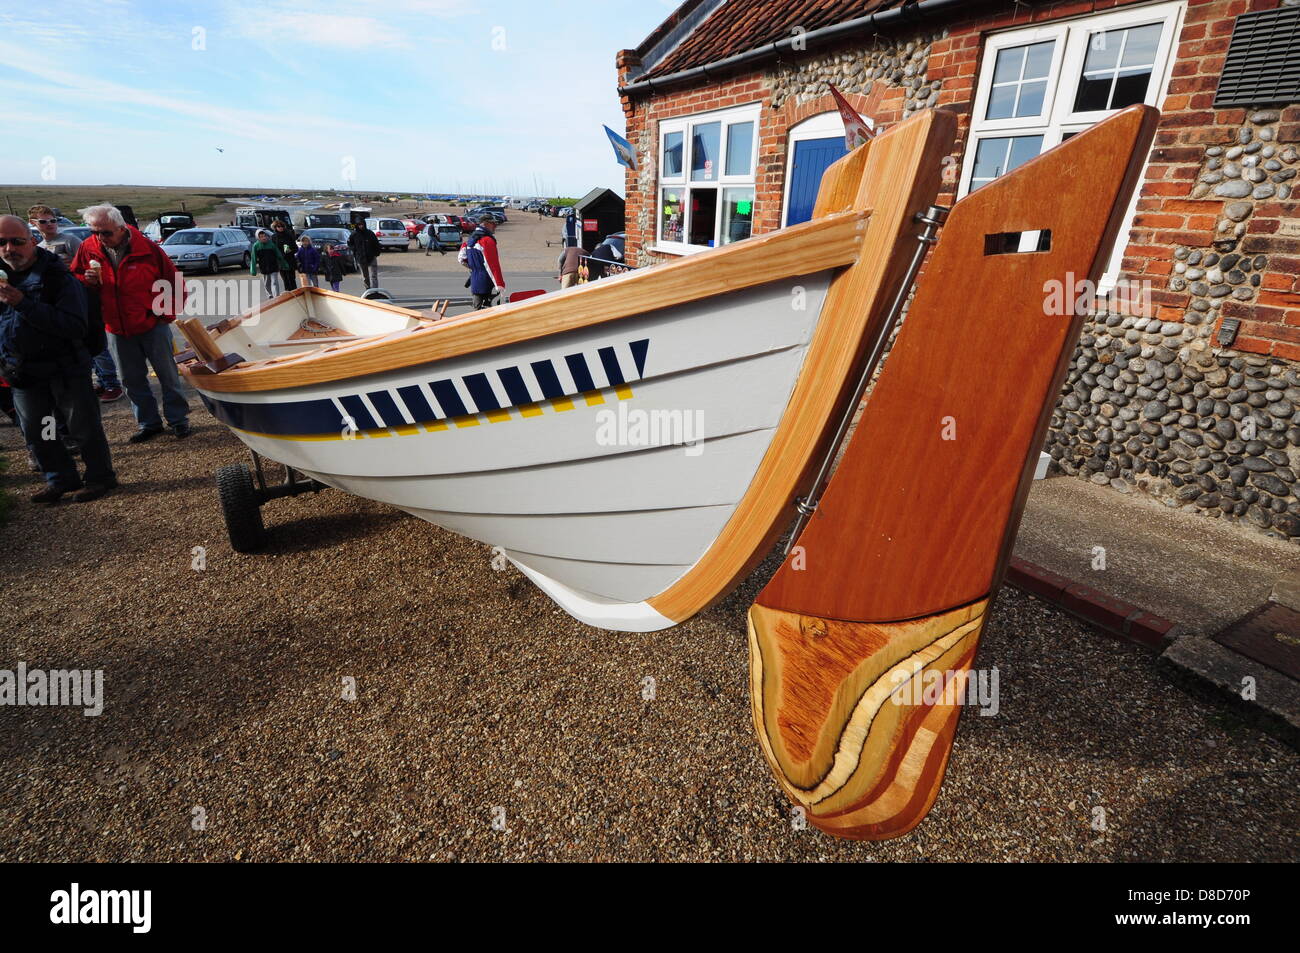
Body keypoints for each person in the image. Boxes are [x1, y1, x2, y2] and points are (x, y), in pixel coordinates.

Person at [0, 215, 116, 503]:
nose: (9, 248)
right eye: (1, 242)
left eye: (17, 241)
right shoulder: (2, 276)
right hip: (23, 372)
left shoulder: (57, 277)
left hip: (65, 367)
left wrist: (23, 303)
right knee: (40, 431)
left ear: (32, 240)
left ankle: (100, 478)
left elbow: (74, 326)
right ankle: (61, 478)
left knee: (83, 429)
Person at [71, 204, 191, 442]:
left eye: (105, 232)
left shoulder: (148, 248)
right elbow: (74, 277)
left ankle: (178, 420)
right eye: (94, 232)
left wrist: (164, 317)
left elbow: (174, 283)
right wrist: (86, 281)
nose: (100, 238)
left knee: (168, 376)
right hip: (116, 328)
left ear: (121, 227)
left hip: (152, 325)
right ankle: (148, 424)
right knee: (130, 379)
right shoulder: (88, 248)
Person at [28, 204, 122, 402]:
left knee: (95, 342)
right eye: (44, 221)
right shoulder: (39, 248)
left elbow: (89, 263)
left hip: (80, 298)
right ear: (33, 224)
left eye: (53, 220)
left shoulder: (69, 240)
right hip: (58, 302)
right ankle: (103, 381)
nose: (50, 224)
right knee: (80, 343)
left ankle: (112, 384)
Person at [461, 215, 505, 309]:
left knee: (477, 310)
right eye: (493, 223)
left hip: (475, 281)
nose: (495, 226)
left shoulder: (470, 240)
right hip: (487, 283)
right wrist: (499, 284)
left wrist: (474, 267)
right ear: (485, 224)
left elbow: (461, 258)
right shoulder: (487, 240)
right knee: (489, 312)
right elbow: (492, 265)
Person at [250, 229, 289, 298]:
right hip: (264, 267)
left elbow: (279, 255)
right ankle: (270, 295)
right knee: (267, 283)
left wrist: (284, 264)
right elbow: (253, 259)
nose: (263, 238)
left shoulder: (271, 244)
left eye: (264, 236)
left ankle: (276, 296)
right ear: (258, 238)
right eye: (261, 237)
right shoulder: (256, 246)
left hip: (274, 266)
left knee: (274, 282)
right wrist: (253, 270)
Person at [347, 222, 381, 290]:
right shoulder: (354, 234)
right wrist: (355, 251)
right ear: (357, 225)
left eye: (362, 224)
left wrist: (376, 253)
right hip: (361, 258)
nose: (361, 226)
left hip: (371, 257)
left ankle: (375, 290)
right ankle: (368, 289)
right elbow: (349, 243)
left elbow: (376, 243)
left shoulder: (370, 233)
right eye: (359, 225)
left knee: (373, 275)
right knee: (365, 276)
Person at [269, 219, 298, 292]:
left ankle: (295, 293)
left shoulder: (289, 235)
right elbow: (272, 250)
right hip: (280, 261)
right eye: (278, 226)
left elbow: (296, 248)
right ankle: (288, 293)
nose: (280, 228)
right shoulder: (273, 237)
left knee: (292, 279)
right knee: (285, 279)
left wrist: (290, 250)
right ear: (275, 227)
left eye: (282, 226)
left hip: (290, 259)